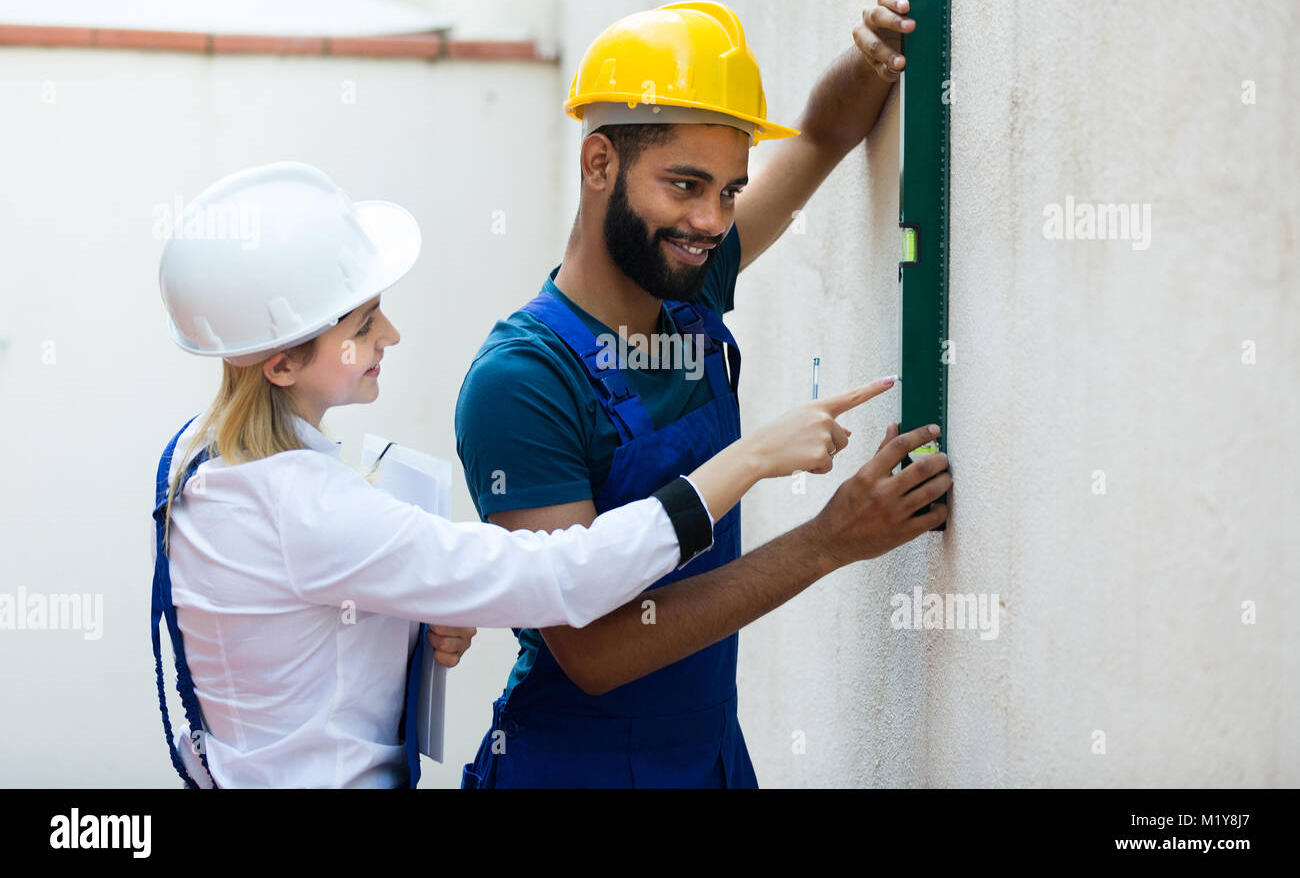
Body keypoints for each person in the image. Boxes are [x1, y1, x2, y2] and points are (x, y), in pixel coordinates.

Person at [151, 160, 883, 788]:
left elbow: (290, 637)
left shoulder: (198, 459)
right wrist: (750, 461)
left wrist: (410, 614)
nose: (391, 335)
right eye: (363, 324)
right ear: (280, 364)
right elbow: (561, 578)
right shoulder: (307, 506)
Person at [455, 0, 951, 788]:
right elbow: (596, 650)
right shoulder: (524, 381)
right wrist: (829, 540)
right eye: (685, 184)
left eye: (728, 191)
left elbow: (821, 138)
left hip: (709, 759)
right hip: (575, 770)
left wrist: (870, 62)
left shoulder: (685, 287)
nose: (711, 220)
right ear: (599, 165)